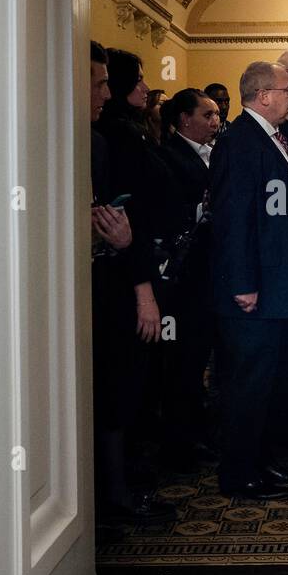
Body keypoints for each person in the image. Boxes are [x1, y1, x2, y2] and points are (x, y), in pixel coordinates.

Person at [210, 61, 288, 500]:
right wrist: (242, 282)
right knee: (247, 387)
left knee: (268, 383)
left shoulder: (273, 137)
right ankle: (239, 474)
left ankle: (261, 462)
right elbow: (232, 219)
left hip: (280, 287)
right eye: (284, 89)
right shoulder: (240, 142)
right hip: (252, 293)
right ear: (263, 95)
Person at [89, 43, 175, 527]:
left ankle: (123, 488)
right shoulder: (109, 139)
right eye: (101, 83)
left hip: (126, 272)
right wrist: (142, 285)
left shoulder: (115, 135)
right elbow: (123, 218)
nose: (144, 88)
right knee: (118, 391)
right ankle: (115, 496)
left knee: (130, 389)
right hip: (116, 281)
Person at [157, 88, 221, 470]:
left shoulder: (212, 154)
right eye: (207, 114)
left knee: (200, 358)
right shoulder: (170, 157)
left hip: (208, 274)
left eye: (216, 115)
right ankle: (180, 443)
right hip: (185, 279)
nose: (215, 122)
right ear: (184, 119)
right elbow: (170, 212)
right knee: (183, 361)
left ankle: (199, 433)